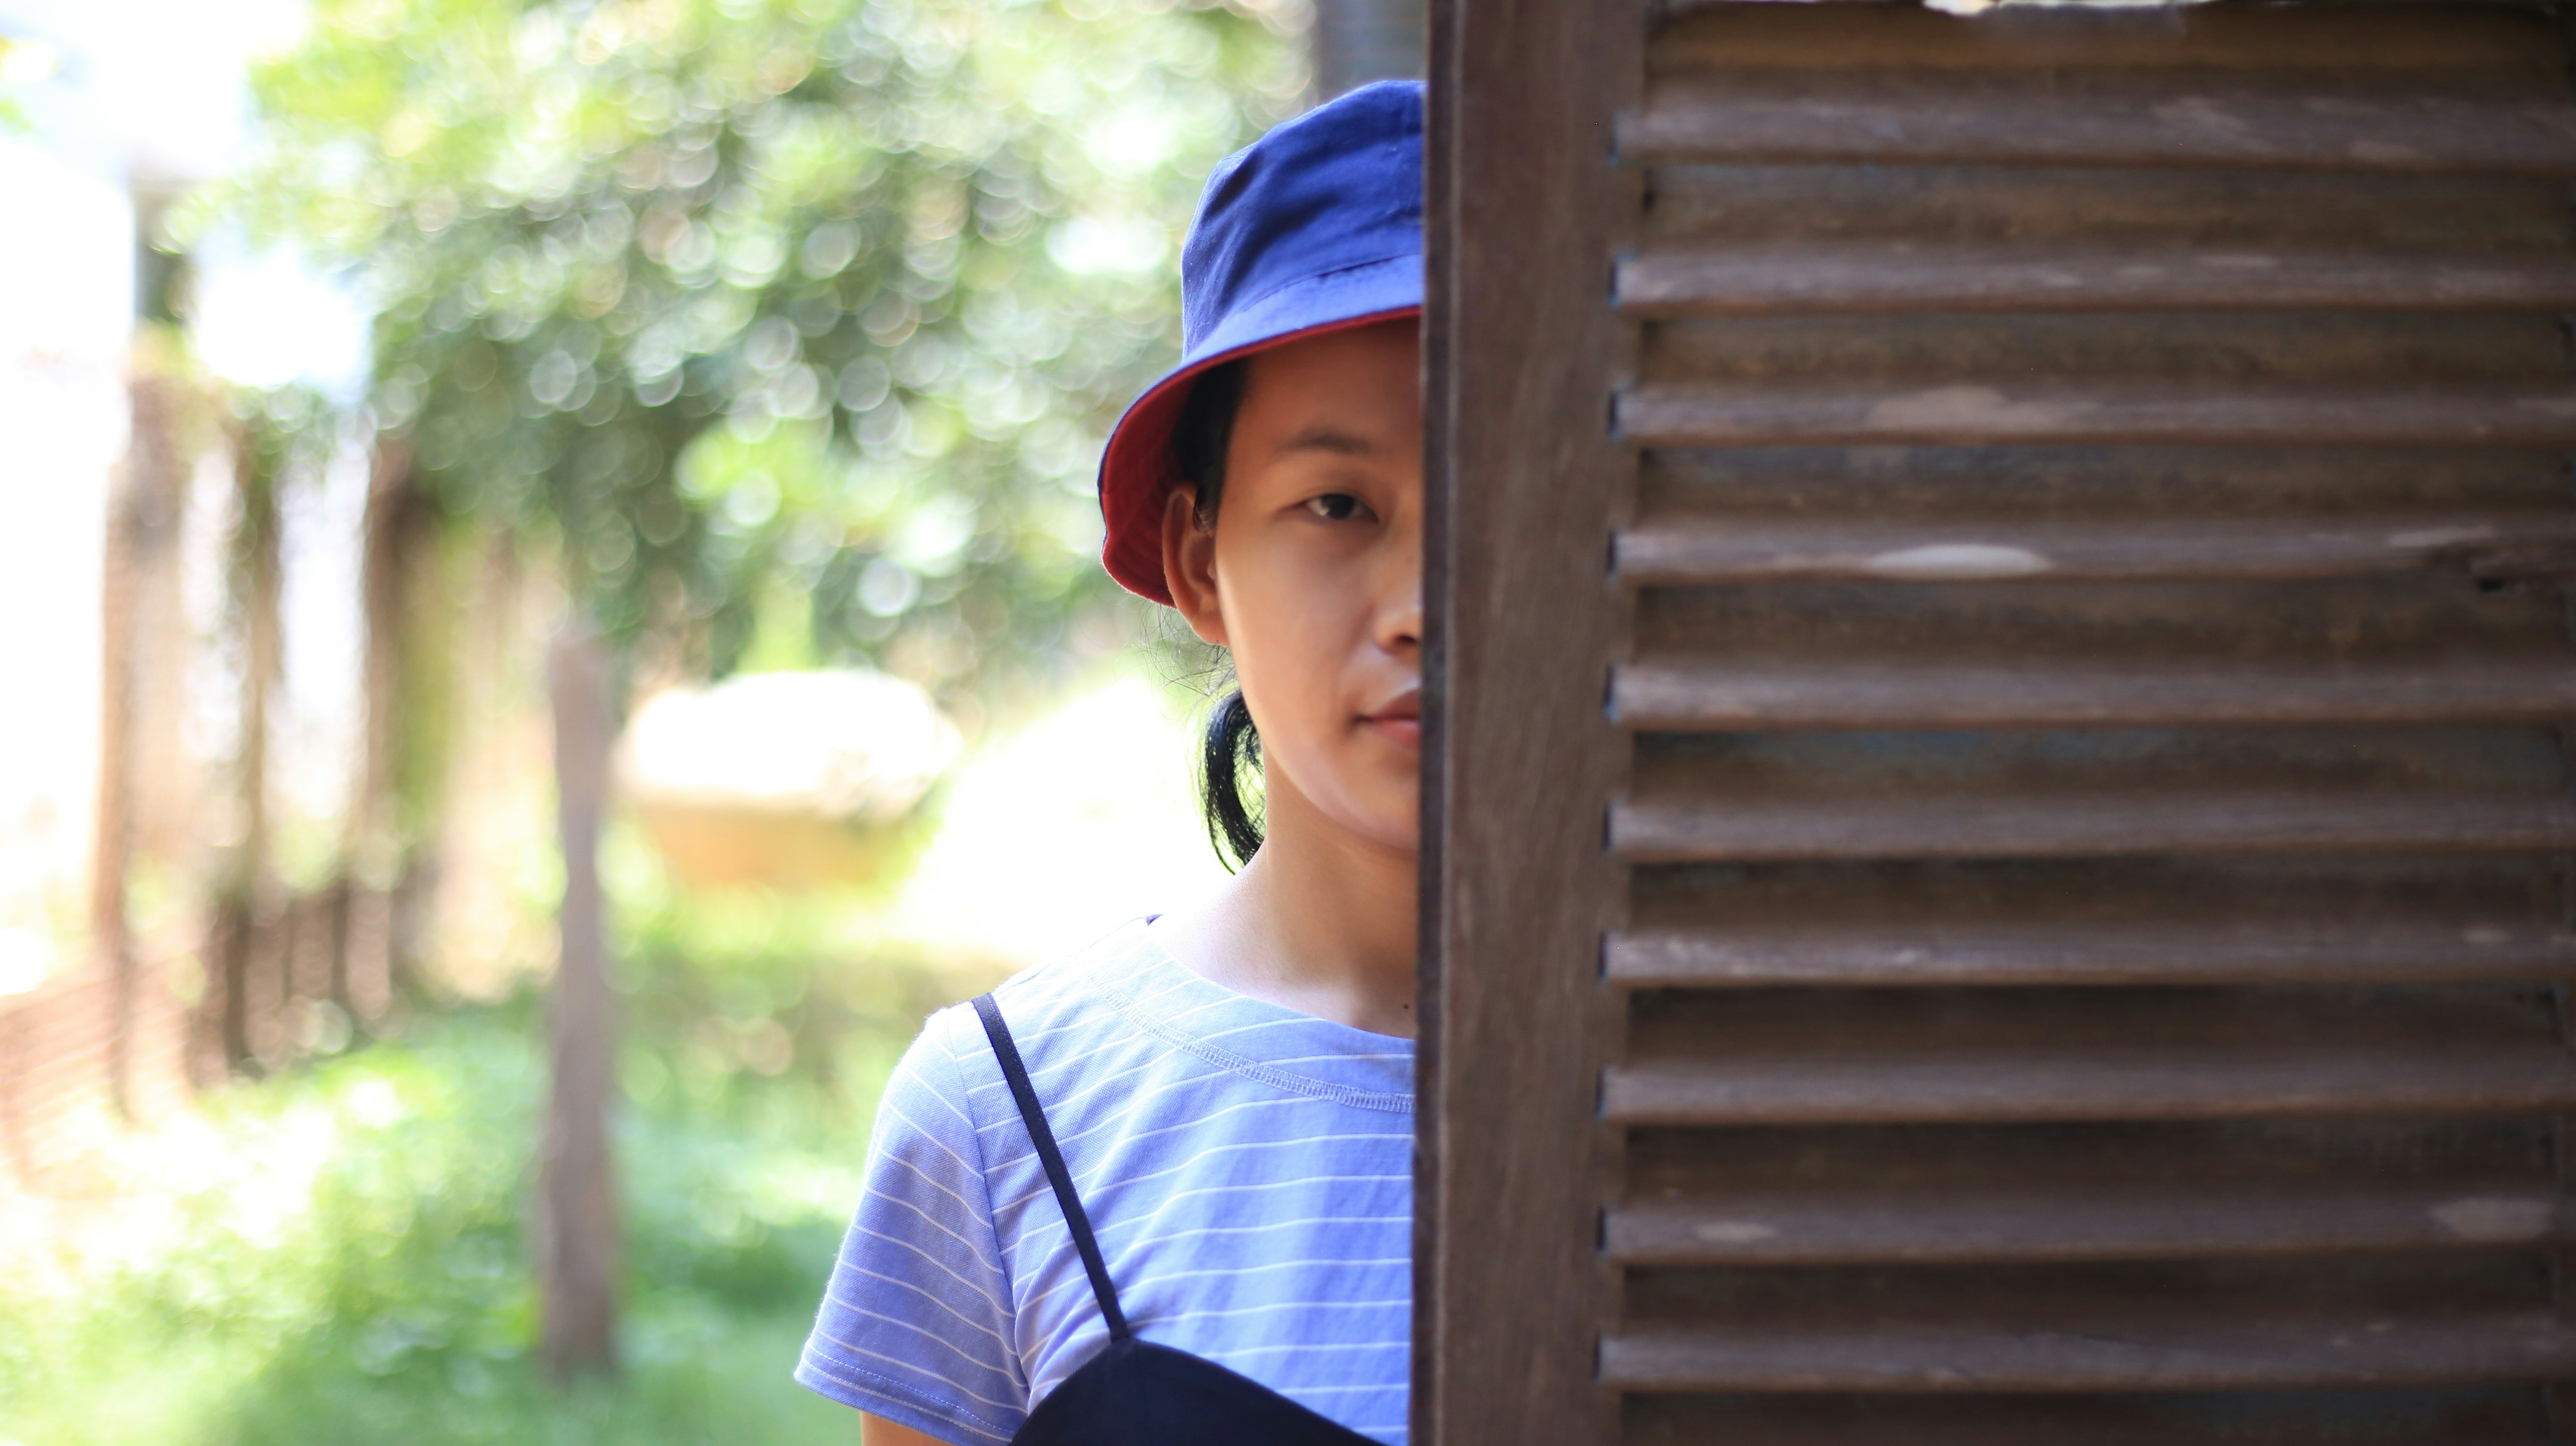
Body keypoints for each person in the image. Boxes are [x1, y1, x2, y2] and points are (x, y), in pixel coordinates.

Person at [795, 80, 1426, 1446]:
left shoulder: (1765, 1079)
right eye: (1337, 505)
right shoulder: (1004, 1115)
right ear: (1203, 563)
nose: (1425, 598)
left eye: (1502, 492)